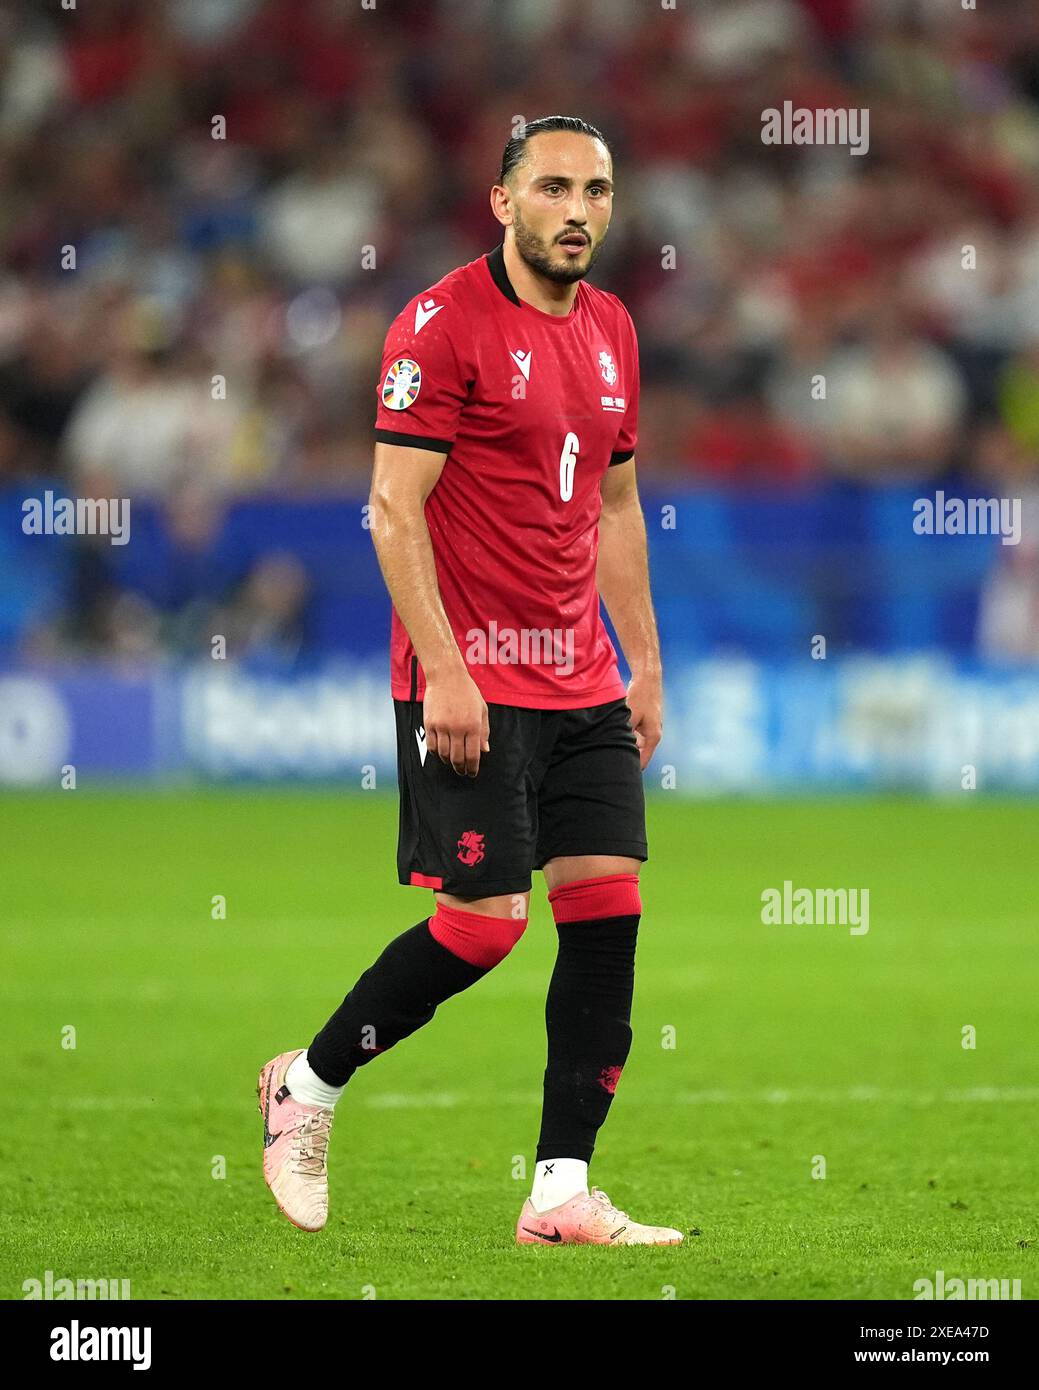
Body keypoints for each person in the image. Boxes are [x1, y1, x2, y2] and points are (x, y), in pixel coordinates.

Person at [258, 116, 681, 1246]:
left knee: (607, 913)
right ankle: (303, 1085)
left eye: (596, 188)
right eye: (552, 186)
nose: (578, 208)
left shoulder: (613, 330)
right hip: (471, 674)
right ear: (502, 202)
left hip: (582, 673)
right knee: (487, 927)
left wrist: (642, 661)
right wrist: (444, 670)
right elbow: (394, 507)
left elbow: (616, 507)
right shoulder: (440, 326)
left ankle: (558, 1191)